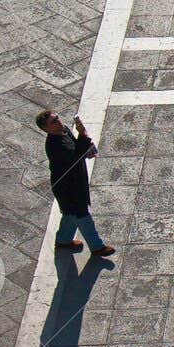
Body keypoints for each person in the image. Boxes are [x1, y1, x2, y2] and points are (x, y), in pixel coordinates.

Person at [36, 110, 116, 257]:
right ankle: (97, 247)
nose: (58, 121)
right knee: (82, 214)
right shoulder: (56, 146)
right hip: (68, 188)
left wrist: (86, 145)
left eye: (57, 118)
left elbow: (77, 148)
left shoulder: (64, 130)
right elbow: (75, 156)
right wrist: (83, 134)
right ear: (46, 129)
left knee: (70, 214)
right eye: (54, 121)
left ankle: (63, 240)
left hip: (75, 181)